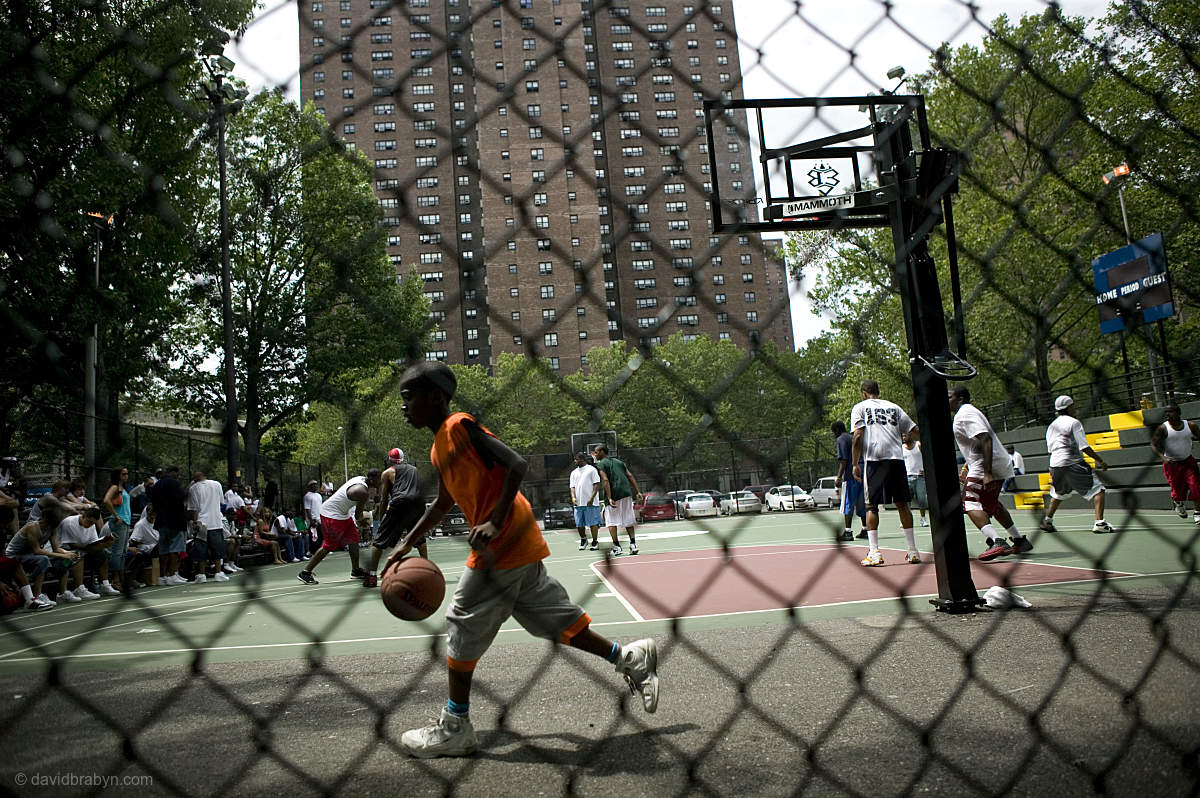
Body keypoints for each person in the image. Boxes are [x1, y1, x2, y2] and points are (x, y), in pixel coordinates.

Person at [385, 361, 659, 758]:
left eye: (409, 398)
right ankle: (629, 657)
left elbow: (517, 464)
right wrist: (407, 541)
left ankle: (455, 724)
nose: (403, 406)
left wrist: (494, 522)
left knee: (460, 621)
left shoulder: (459, 426)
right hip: (517, 541)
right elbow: (444, 502)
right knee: (556, 621)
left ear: (437, 398)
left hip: (503, 542)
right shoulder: (437, 446)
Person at [948, 386, 1035, 560]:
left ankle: (996, 541)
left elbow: (985, 439)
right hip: (992, 463)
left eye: (949, 396)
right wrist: (967, 467)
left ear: (961, 398)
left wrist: (987, 472)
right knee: (992, 504)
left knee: (969, 503)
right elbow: (976, 444)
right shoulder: (968, 412)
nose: (946, 400)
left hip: (986, 465)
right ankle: (1019, 540)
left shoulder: (965, 413)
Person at [850, 380, 922, 566]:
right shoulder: (894, 407)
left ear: (863, 393)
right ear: (878, 391)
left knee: (871, 506)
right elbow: (915, 431)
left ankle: (874, 552)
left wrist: (855, 463)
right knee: (902, 504)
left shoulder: (860, 408)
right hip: (896, 460)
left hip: (875, 460)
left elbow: (857, 435)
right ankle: (912, 550)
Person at [1040, 395, 1113, 534]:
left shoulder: (1051, 426)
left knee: (1058, 493)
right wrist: (1100, 460)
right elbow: (1083, 446)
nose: (1075, 408)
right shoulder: (1074, 423)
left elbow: (1050, 449)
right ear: (1069, 407)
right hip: (1072, 462)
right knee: (1098, 490)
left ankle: (1047, 521)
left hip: (1055, 464)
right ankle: (1100, 523)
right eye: (1073, 406)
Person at [297, 471, 380, 584]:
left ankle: (355, 570)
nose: (381, 481)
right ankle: (305, 572)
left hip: (342, 514)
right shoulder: (363, 492)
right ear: (371, 479)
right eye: (379, 479)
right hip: (331, 514)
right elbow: (358, 515)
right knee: (329, 545)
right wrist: (366, 519)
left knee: (354, 540)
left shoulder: (360, 479)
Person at [366, 448, 426, 588]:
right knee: (419, 538)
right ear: (403, 458)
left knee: (378, 541)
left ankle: (372, 576)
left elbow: (384, 498)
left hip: (400, 503)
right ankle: (427, 570)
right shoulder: (414, 469)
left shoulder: (387, 473)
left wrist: (381, 519)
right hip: (417, 503)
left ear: (389, 459)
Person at [4, 512, 75, 608]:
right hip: (13, 556)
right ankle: (36, 595)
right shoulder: (32, 527)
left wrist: (67, 553)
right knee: (43, 560)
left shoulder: (52, 529)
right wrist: (62, 556)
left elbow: (56, 548)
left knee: (59, 560)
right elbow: (37, 551)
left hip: (29, 555)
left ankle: (42, 594)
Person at [1150, 404, 1200, 523]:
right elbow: (1153, 444)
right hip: (1172, 464)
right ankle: (1178, 502)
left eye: (1171, 411)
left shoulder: (1190, 426)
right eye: (1166, 412)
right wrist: (1163, 458)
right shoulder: (1163, 428)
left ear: (1178, 412)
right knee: (1177, 491)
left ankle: (1198, 512)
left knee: (1196, 486)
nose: (1167, 414)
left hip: (1188, 461)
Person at [593, 444, 643, 556]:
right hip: (626, 492)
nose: (594, 454)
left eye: (596, 452)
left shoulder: (601, 464)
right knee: (628, 518)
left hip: (614, 493)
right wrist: (638, 491)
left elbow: (605, 480)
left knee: (611, 521)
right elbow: (630, 476)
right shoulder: (619, 462)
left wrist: (610, 497)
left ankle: (617, 546)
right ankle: (633, 544)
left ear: (602, 452)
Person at [57, 508, 115, 598]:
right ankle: (79, 589)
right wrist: (90, 547)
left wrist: (102, 545)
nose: (90, 525)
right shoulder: (69, 522)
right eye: (89, 521)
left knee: (102, 553)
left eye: (93, 523)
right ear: (83, 516)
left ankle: (105, 584)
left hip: (84, 547)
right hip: (65, 549)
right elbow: (71, 544)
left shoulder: (91, 525)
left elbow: (93, 542)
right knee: (78, 554)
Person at [187, 470, 230, 583]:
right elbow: (221, 502)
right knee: (217, 549)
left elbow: (194, 508)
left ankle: (201, 575)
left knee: (201, 550)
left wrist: (195, 522)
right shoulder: (217, 484)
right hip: (215, 521)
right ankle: (218, 572)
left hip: (202, 522)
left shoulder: (193, 488)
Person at [150, 466, 190, 584]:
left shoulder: (157, 485)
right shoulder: (175, 483)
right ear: (174, 472)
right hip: (175, 520)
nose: (178, 476)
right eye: (178, 474)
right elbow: (181, 498)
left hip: (161, 520)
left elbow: (153, 501)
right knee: (175, 549)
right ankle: (173, 574)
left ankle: (162, 576)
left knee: (163, 549)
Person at [832, 421, 867, 542]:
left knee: (848, 503)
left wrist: (839, 477)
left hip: (850, 474)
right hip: (862, 472)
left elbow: (844, 460)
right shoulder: (853, 437)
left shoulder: (841, 439)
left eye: (833, 432)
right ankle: (865, 529)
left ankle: (847, 532)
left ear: (836, 430)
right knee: (862, 503)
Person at [101, 467, 132, 591]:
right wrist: (116, 515)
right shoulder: (115, 487)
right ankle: (115, 580)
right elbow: (106, 500)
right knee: (117, 551)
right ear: (118, 475)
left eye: (127, 474)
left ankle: (121, 579)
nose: (126, 476)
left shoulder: (122, 488)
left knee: (122, 552)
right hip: (120, 521)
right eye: (123, 474)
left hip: (125, 521)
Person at [569, 451, 603, 551]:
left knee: (593, 523)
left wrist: (591, 498)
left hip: (590, 503)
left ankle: (595, 541)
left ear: (582, 459)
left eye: (576, 459)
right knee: (579, 524)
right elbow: (572, 487)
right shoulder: (574, 472)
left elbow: (597, 485)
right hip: (579, 504)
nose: (575, 461)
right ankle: (583, 539)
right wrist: (573, 498)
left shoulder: (591, 470)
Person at [126, 506, 159, 587]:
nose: (152, 516)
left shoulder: (158, 522)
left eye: (154, 514)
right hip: (145, 549)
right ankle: (155, 578)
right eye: (150, 514)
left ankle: (168, 575)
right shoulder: (141, 525)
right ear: (147, 513)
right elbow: (133, 541)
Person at [902, 437, 928, 527]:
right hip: (907, 477)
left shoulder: (918, 445)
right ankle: (905, 519)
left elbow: (927, 456)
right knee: (906, 500)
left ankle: (923, 519)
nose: (904, 437)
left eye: (906, 435)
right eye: (903, 435)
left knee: (921, 499)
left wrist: (926, 469)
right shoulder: (901, 448)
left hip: (919, 476)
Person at [303, 480, 324, 552]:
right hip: (313, 520)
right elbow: (307, 509)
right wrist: (311, 520)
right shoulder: (307, 496)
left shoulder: (319, 495)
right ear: (310, 487)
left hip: (319, 519)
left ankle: (318, 550)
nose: (315, 486)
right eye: (313, 485)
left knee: (320, 536)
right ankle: (313, 552)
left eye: (316, 484)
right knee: (314, 537)